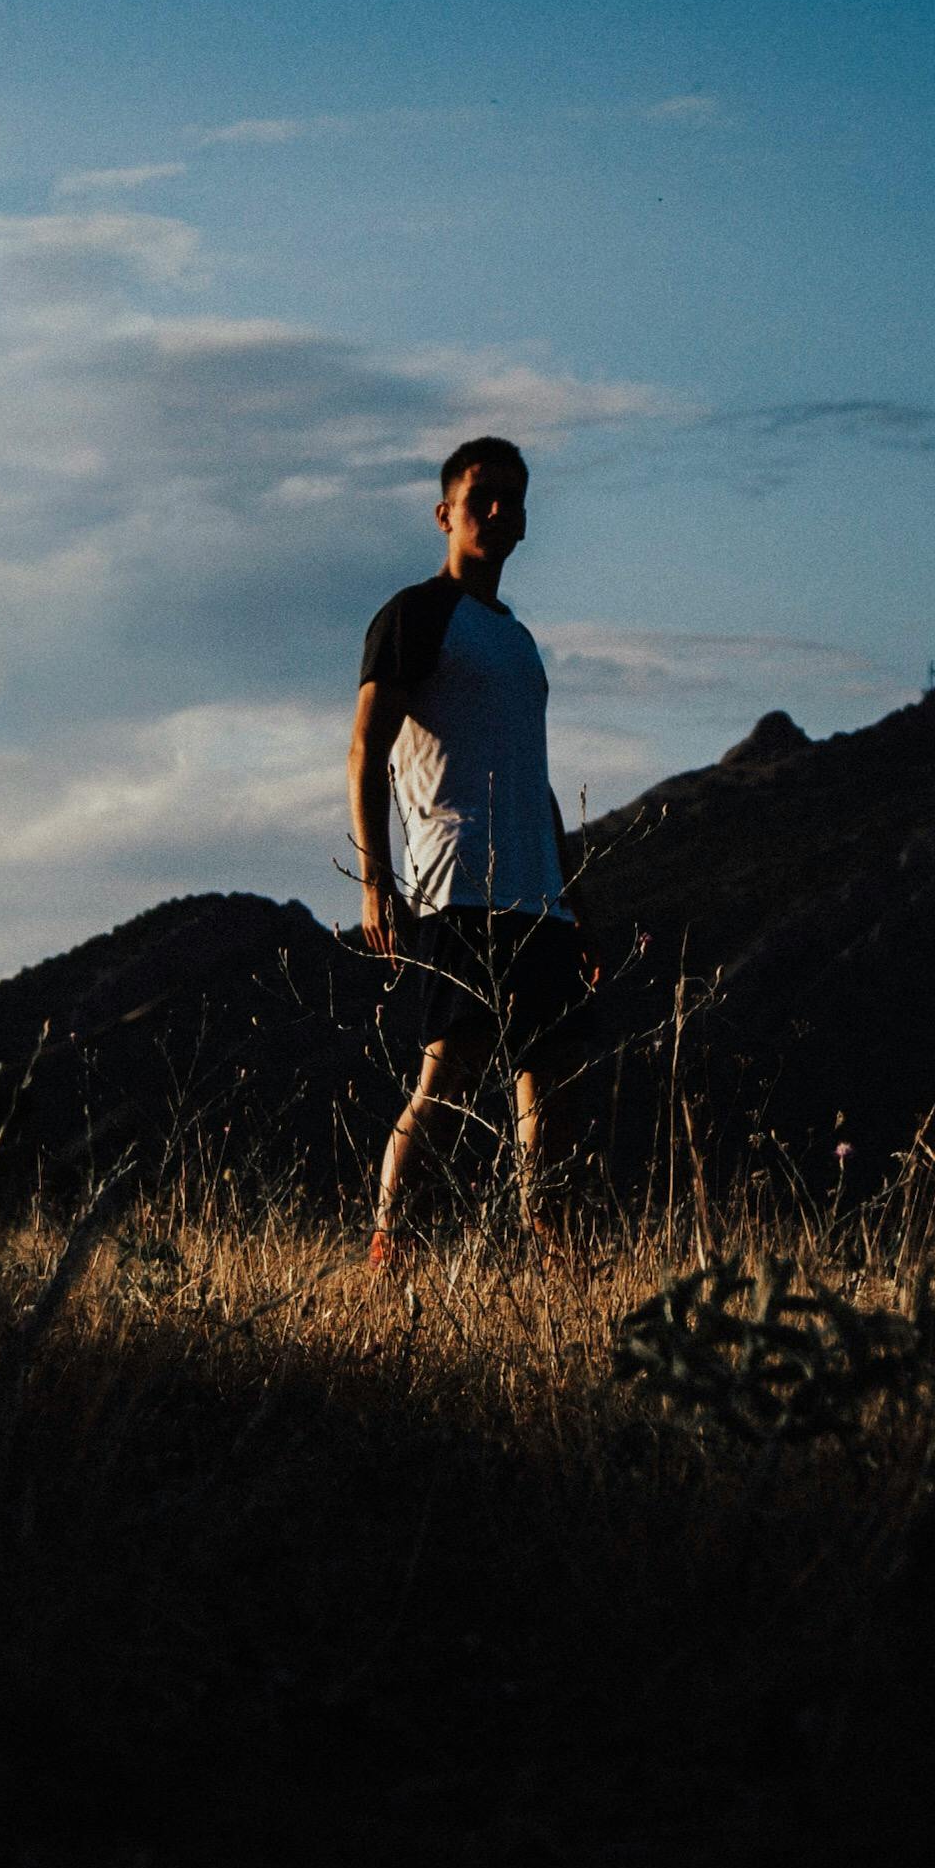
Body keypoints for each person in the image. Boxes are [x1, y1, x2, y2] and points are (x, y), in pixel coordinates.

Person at [350, 435, 595, 1268]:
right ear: (444, 512)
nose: (498, 511)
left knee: (552, 1085)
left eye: (513, 499)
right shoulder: (417, 615)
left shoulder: (519, 642)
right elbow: (365, 747)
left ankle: (551, 1248)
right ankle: (393, 1245)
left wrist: (570, 894)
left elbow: (531, 773)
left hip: (540, 896)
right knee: (447, 1077)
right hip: (458, 883)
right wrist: (375, 881)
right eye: (481, 496)